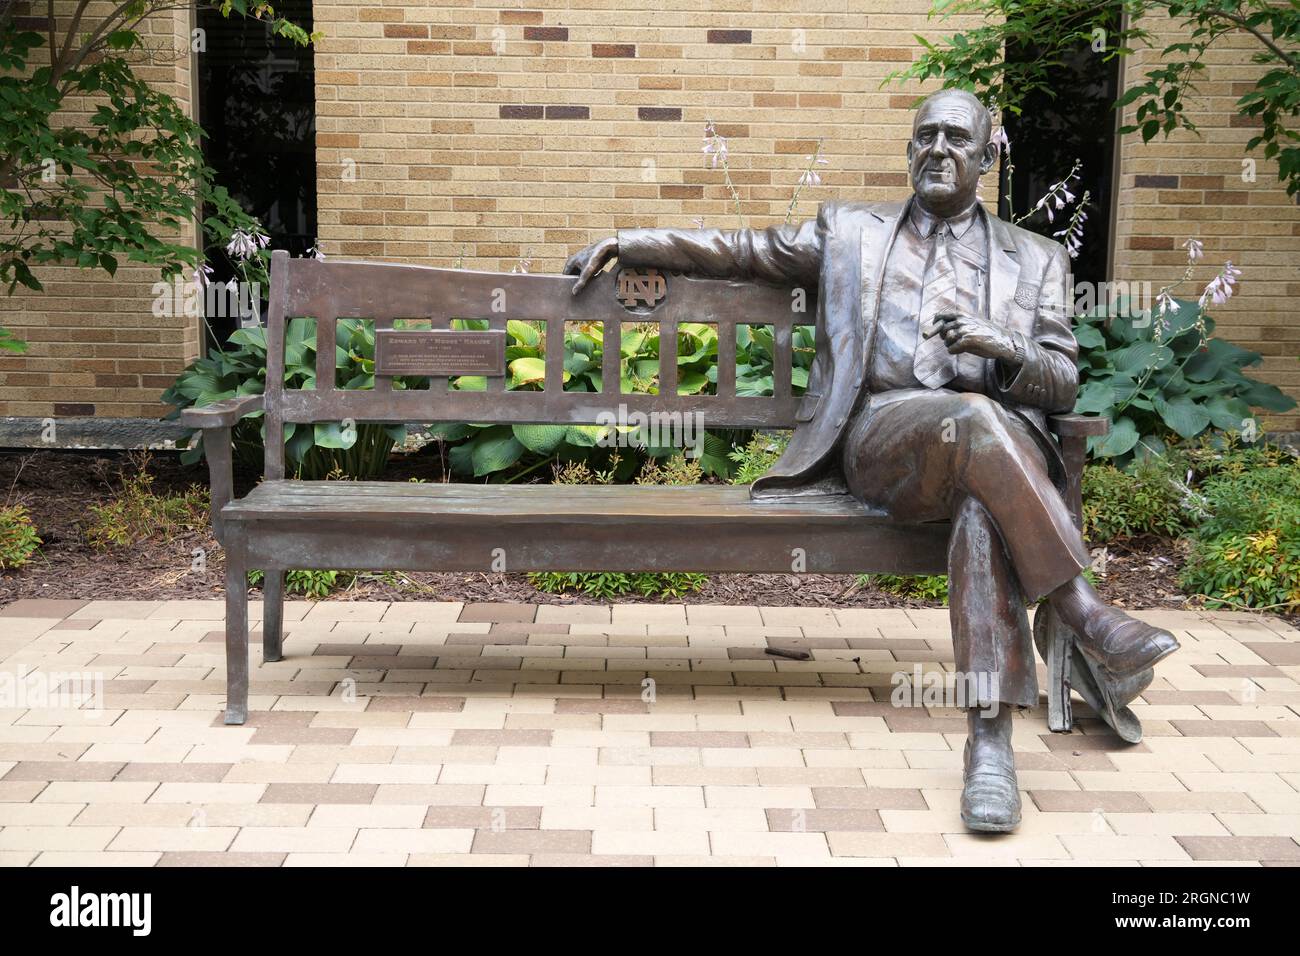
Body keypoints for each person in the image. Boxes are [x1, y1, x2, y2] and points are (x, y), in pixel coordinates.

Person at [563, 89, 1178, 832]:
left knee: (983, 504)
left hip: (989, 459)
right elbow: (744, 249)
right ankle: (1075, 606)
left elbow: (1061, 379)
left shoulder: (1038, 258)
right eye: (926, 136)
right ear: (909, 151)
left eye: (958, 139)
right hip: (882, 444)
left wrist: (1001, 344)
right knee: (976, 421)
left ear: (987, 158)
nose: (938, 149)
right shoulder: (851, 232)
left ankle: (990, 744)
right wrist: (635, 241)